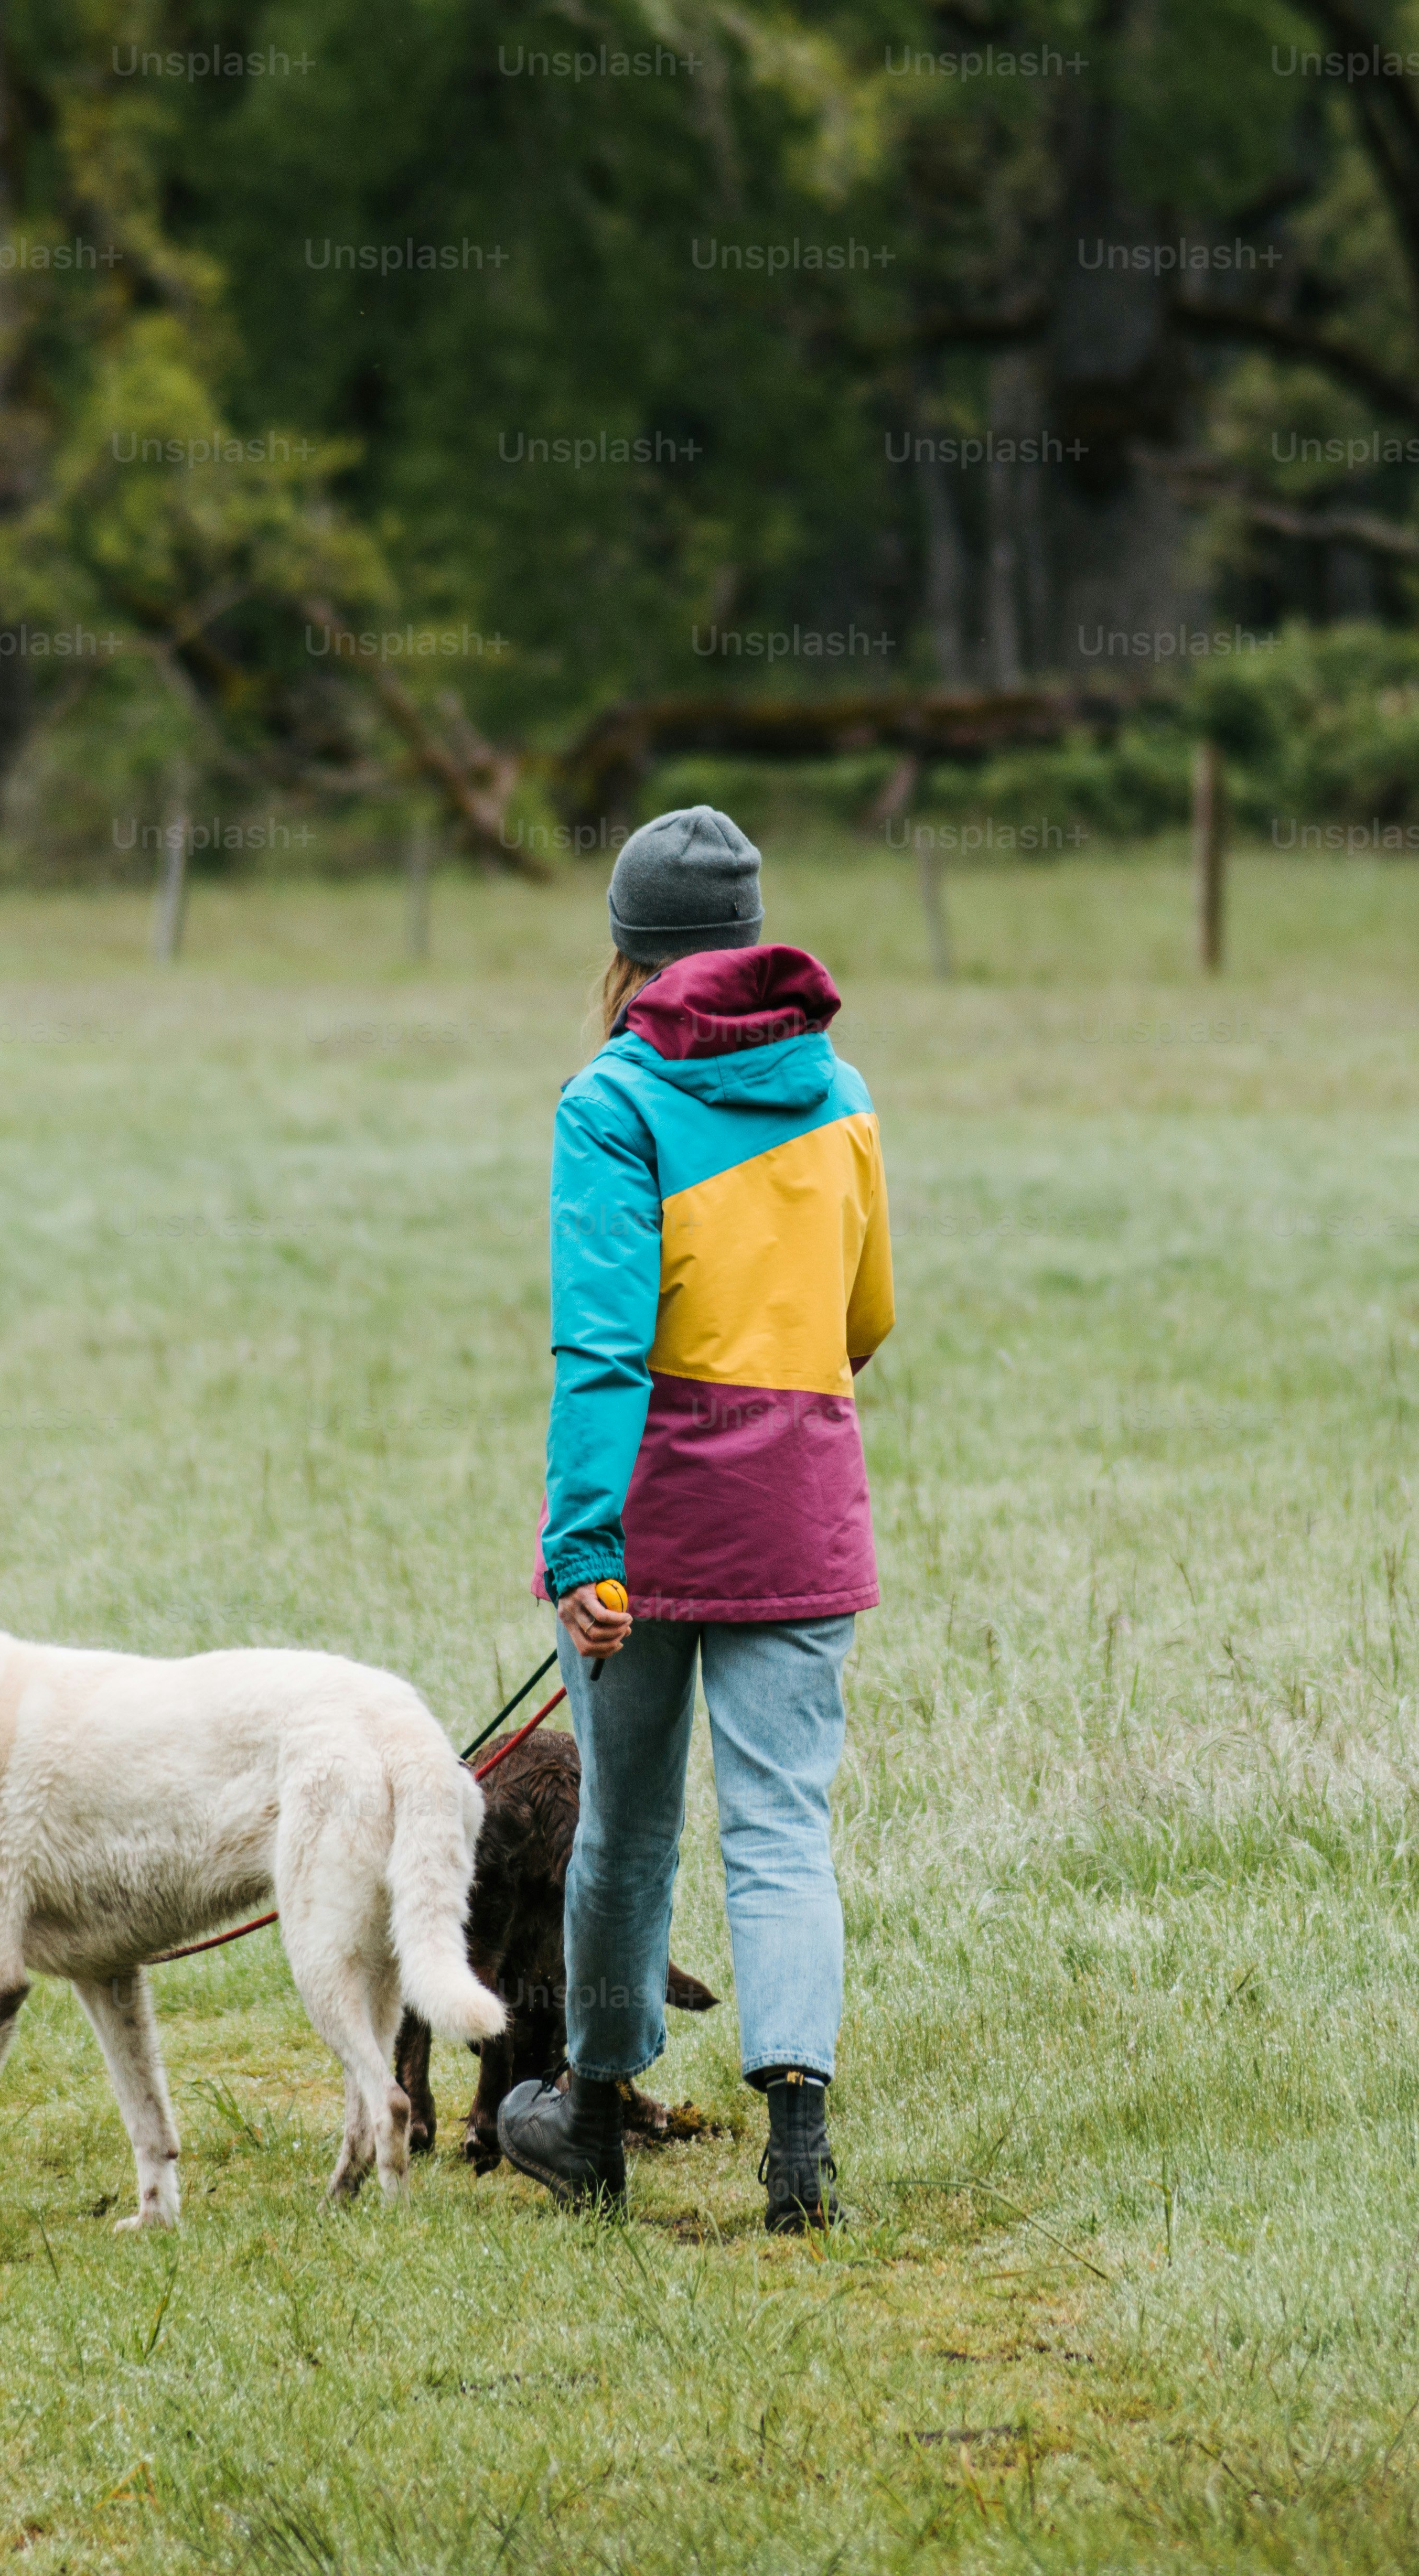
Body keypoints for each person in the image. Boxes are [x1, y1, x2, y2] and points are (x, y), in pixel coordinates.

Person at [496, 806, 893, 2231]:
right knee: (783, 1832)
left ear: (629, 954)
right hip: (801, 1514)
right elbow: (868, 1317)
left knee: (626, 1830)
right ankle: (800, 2160)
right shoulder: (839, 1087)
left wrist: (586, 1541)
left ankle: (589, 2123)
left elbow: (601, 1350)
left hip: (655, 1521)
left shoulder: (611, 1102)